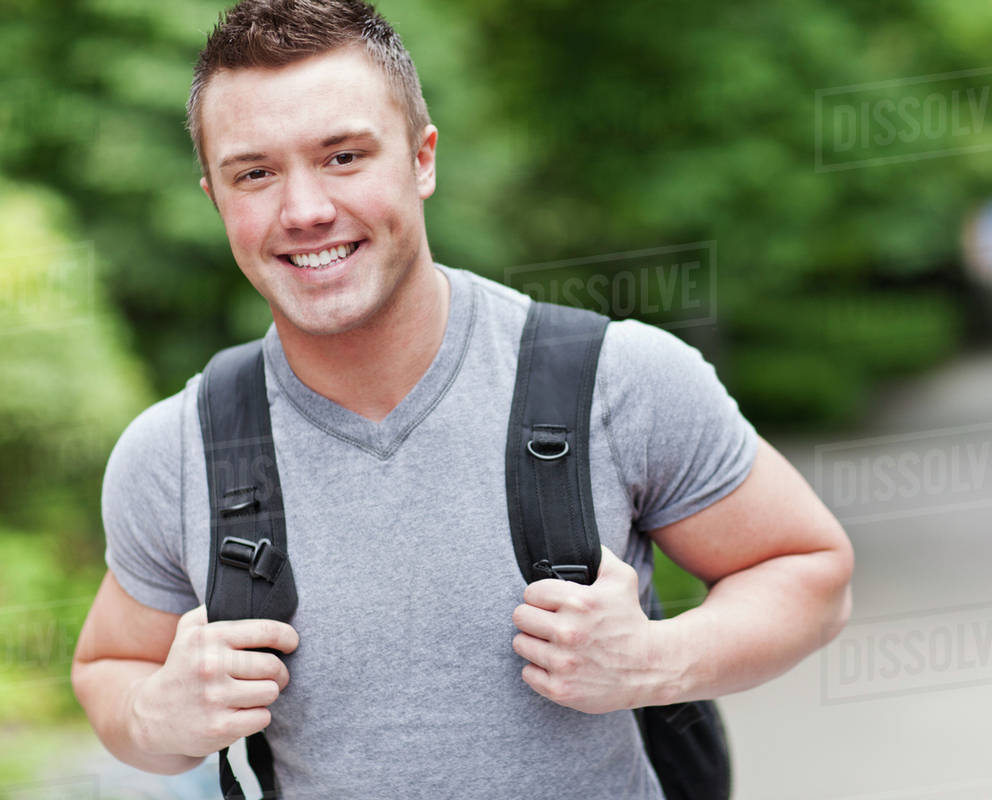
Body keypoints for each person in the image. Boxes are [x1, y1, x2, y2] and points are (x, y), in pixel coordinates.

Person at [70, 0, 854, 797]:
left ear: (422, 159)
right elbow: (109, 667)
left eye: (343, 157)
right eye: (256, 173)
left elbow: (810, 572)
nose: (303, 210)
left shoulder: (617, 381)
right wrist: (155, 719)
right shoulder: (176, 451)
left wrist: (656, 660)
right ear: (214, 196)